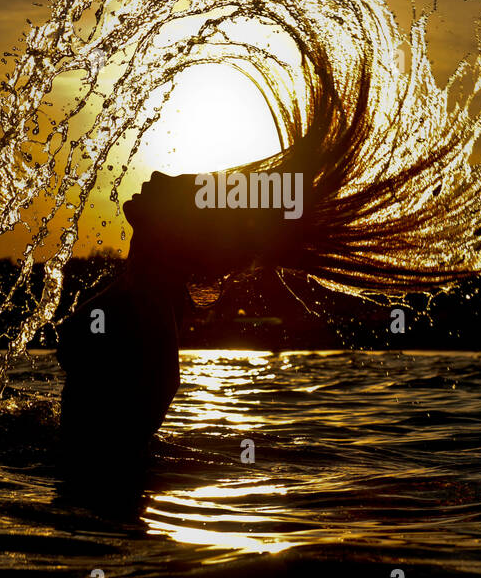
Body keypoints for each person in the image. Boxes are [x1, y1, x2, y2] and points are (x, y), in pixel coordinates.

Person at [55, 170, 301, 465]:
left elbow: (112, 448)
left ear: (178, 227)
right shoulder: (144, 290)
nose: (157, 174)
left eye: (176, 186)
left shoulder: (147, 308)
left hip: (95, 497)